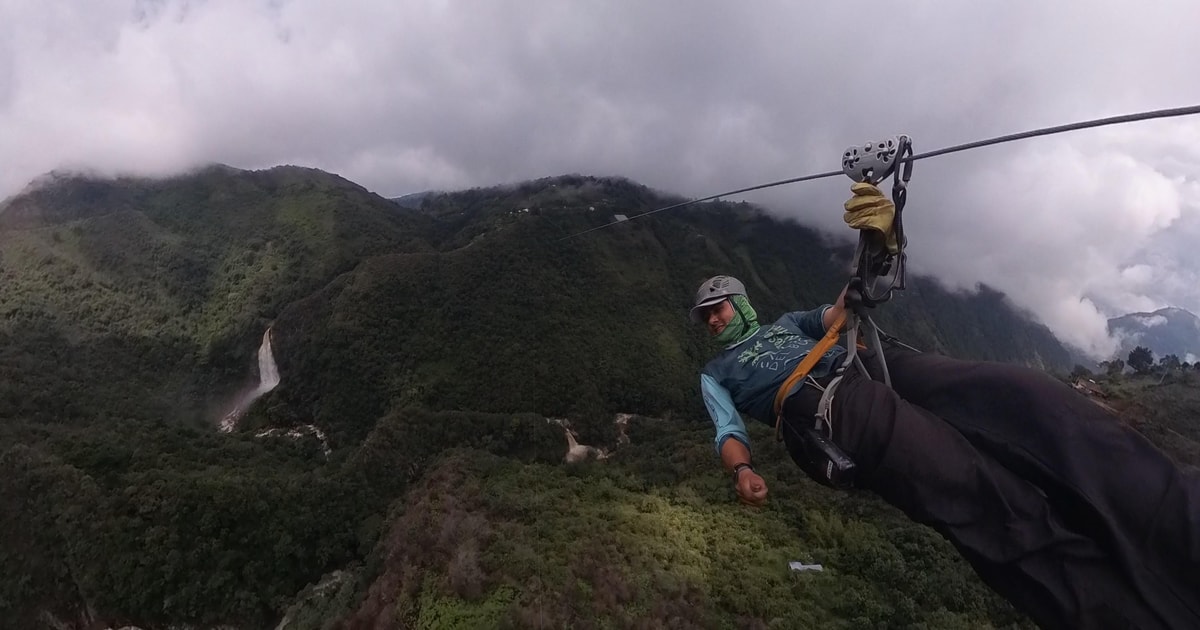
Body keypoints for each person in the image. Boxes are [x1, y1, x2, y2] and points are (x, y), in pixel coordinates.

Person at [691, 185, 1200, 630]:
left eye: (720, 308)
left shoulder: (785, 323)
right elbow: (727, 430)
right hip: (829, 410)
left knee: (1033, 402)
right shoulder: (717, 374)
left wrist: (874, 255)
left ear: (742, 304)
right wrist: (743, 471)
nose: (714, 320)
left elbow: (840, 313)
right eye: (707, 317)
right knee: (983, 496)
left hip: (867, 360)